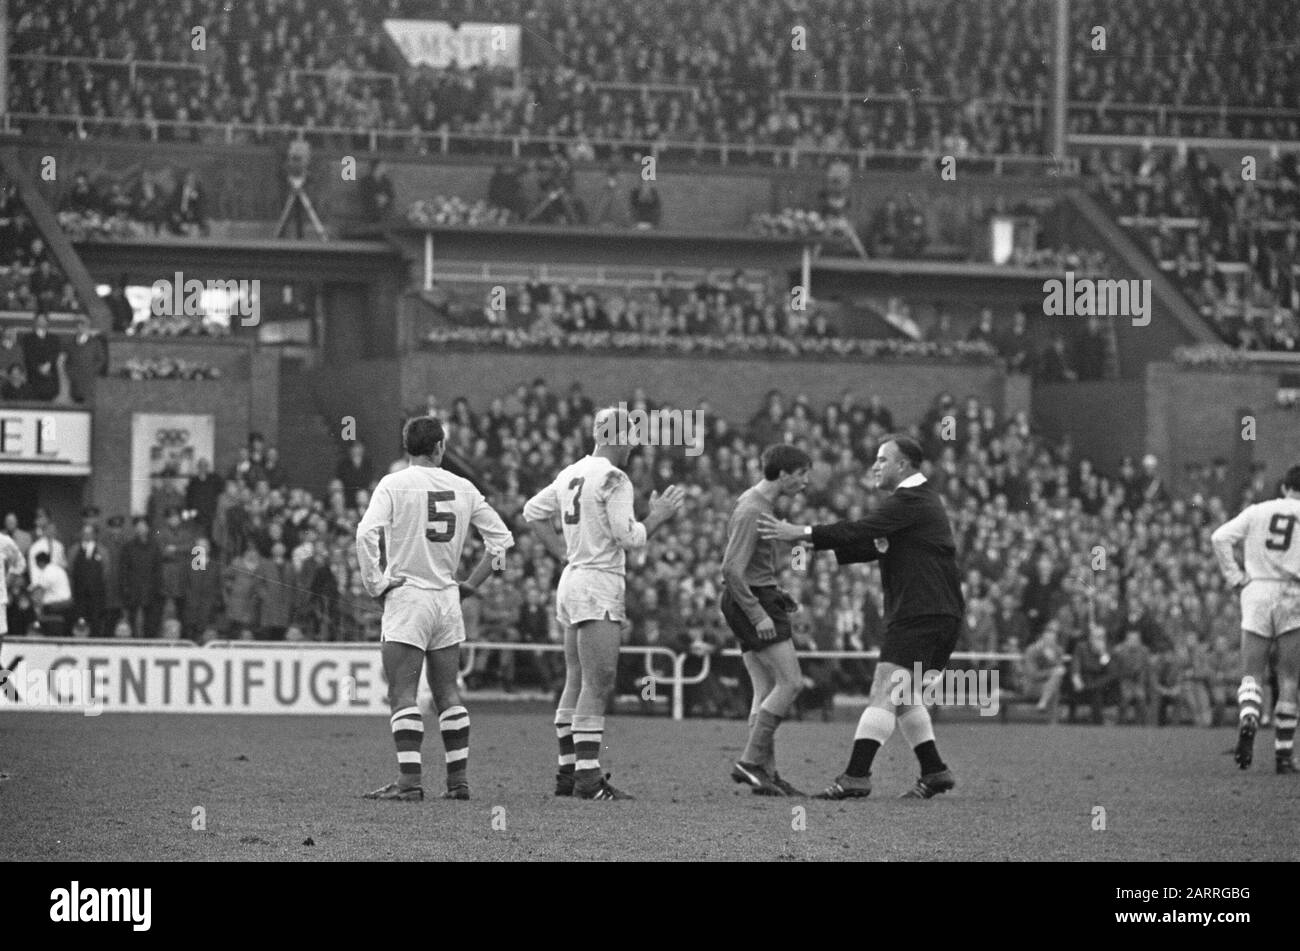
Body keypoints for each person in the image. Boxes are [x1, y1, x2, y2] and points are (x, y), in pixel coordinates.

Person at [759, 434, 964, 799]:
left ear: (902, 466)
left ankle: (856, 776)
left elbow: (864, 529)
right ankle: (934, 771)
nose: (874, 466)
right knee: (904, 696)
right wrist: (813, 542)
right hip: (937, 614)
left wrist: (803, 532)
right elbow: (874, 544)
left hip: (920, 613)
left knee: (883, 690)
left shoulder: (911, 500)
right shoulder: (918, 504)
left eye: (882, 460)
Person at [523, 407, 685, 800]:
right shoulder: (615, 477)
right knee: (599, 682)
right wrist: (658, 515)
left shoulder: (570, 472)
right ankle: (589, 780)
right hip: (598, 583)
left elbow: (532, 512)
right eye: (630, 435)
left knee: (575, 679)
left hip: (572, 580)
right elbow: (629, 536)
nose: (634, 444)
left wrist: (563, 552)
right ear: (612, 435)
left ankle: (568, 773)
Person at [357, 416, 514, 802]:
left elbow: (365, 533)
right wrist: (471, 586)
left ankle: (410, 783)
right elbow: (502, 543)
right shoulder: (464, 487)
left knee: (403, 693)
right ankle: (458, 782)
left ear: (406, 446)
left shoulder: (393, 484)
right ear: (441, 447)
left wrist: (376, 584)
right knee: (448, 693)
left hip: (408, 596)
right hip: (447, 599)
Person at [720, 443, 812, 797]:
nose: (805, 482)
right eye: (801, 474)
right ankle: (750, 762)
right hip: (752, 601)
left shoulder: (756, 502)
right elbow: (730, 568)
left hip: (756, 595)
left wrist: (775, 592)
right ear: (784, 474)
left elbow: (747, 565)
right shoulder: (752, 510)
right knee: (791, 683)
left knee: (764, 688)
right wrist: (759, 612)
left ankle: (767, 775)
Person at [1210, 464, 1300, 773]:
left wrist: (1236, 578)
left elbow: (1219, 537)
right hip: (1293, 593)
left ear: (1284, 487)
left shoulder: (1258, 510)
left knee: (1252, 672)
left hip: (1257, 589)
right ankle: (1283, 755)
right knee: (1289, 677)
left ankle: (1249, 713)